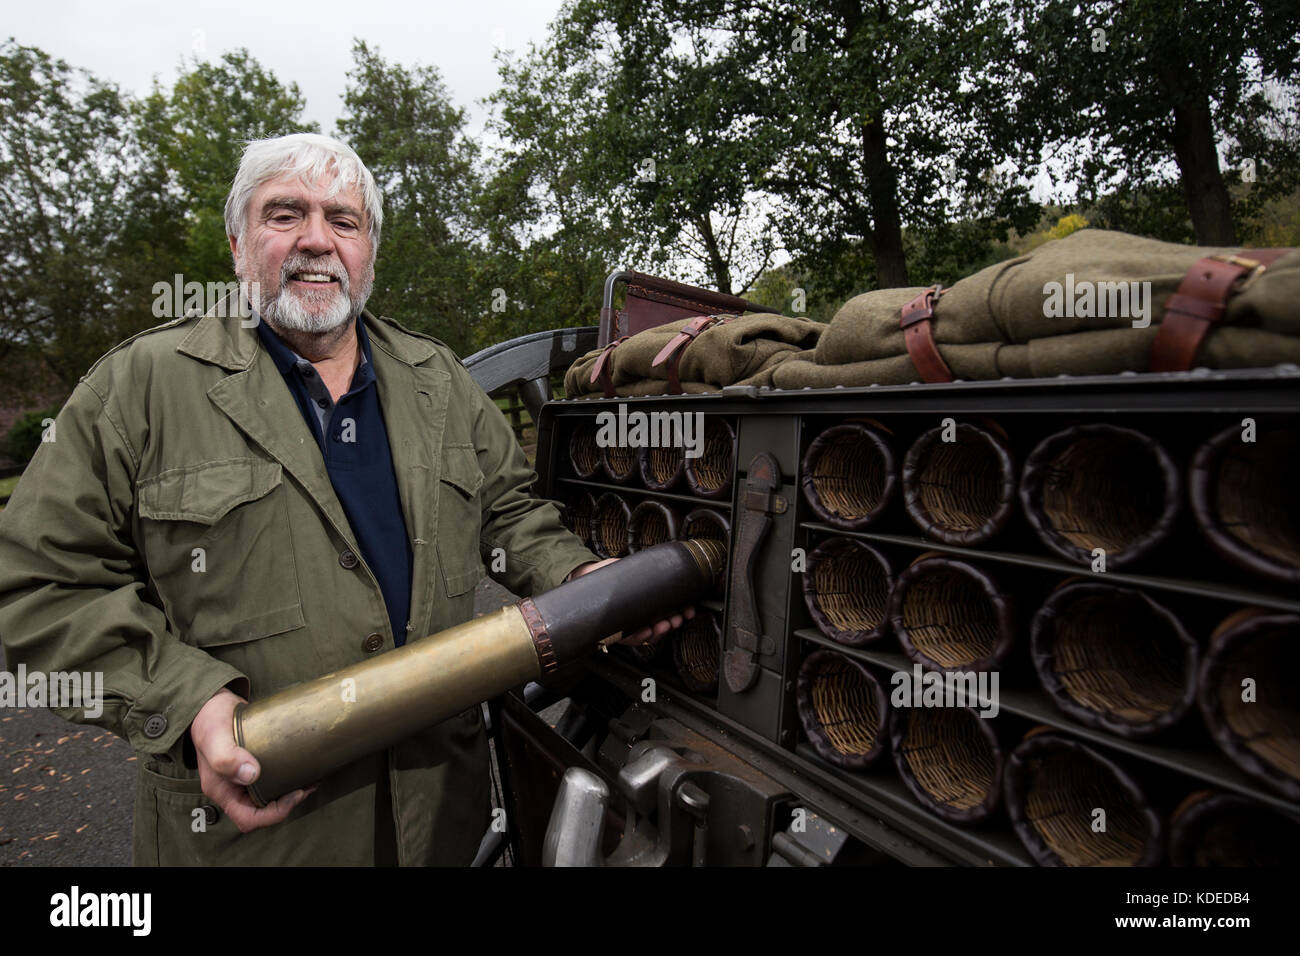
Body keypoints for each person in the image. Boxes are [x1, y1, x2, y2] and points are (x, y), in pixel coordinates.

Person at [0, 133, 684, 865]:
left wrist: (579, 580)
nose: (317, 242)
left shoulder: (437, 379)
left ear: (369, 254)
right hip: (253, 836)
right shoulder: (139, 388)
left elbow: (511, 515)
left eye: (343, 221)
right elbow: (37, 587)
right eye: (284, 215)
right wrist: (188, 701)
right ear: (238, 246)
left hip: (439, 822)